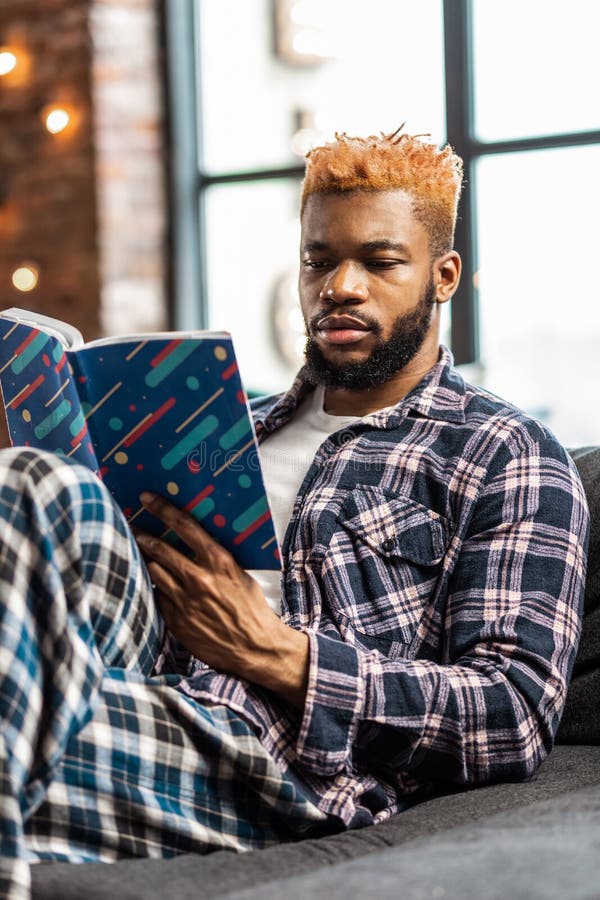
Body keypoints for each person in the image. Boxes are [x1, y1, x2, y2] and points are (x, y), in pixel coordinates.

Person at [0, 129, 589, 900]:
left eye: (379, 262)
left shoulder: (506, 453)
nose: (340, 286)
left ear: (443, 276)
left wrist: (275, 653)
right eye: (319, 260)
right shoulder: (233, 423)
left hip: (277, 762)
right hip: (134, 672)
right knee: (36, 480)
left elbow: (511, 716)